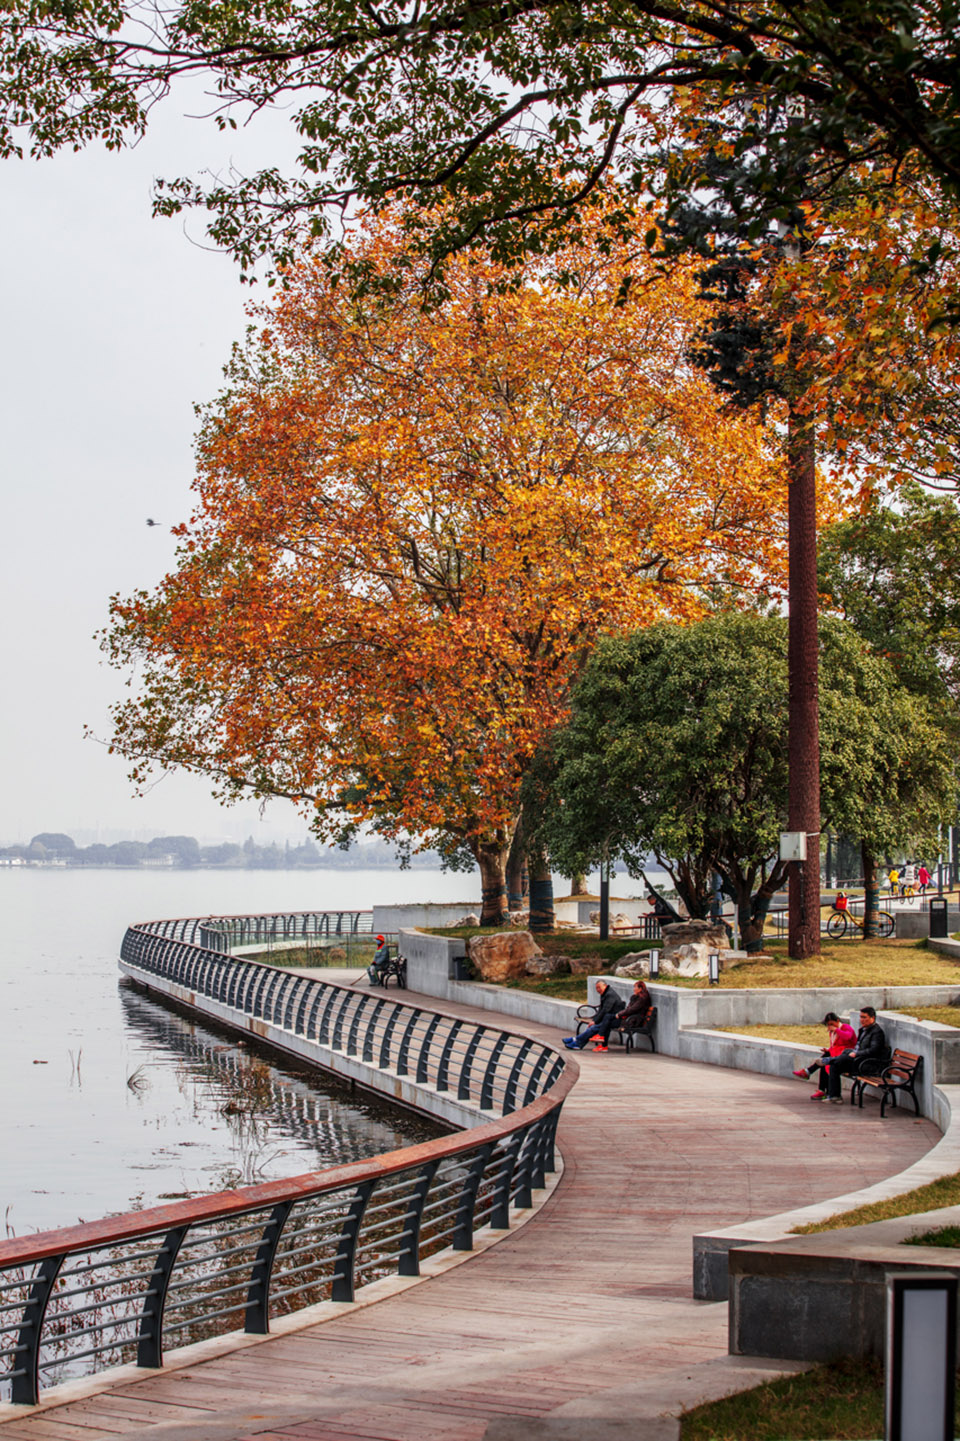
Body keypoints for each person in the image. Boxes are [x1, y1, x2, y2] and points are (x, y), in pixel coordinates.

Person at [822, 1006, 890, 1105]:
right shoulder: (863, 1030)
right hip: (858, 1060)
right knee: (836, 1064)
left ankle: (830, 1060)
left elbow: (873, 1050)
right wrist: (852, 1052)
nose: (862, 1020)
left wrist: (857, 1053)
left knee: (838, 1061)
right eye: (861, 1017)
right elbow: (858, 1047)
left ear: (872, 1018)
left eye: (864, 1017)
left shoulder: (877, 1032)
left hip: (866, 1064)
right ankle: (835, 1096)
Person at [792, 1012, 857, 1099]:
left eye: (832, 1024)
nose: (830, 1026)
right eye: (828, 1025)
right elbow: (835, 1046)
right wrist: (829, 1050)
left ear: (837, 1021)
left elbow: (847, 1037)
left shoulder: (845, 1028)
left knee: (824, 1061)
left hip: (847, 1057)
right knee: (824, 1061)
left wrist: (836, 1030)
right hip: (837, 1055)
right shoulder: (832, 1033)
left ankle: (810, 1073)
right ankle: (819, 1087)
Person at [563, 979, 622, 1051]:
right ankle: (578, 1043)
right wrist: (594, 1020)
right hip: (607, 1019)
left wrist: (595, 1021)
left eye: (599, 987)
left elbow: (605, 1010)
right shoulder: (605, 994)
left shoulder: (610, 995)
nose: (598, 990)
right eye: (596, 988)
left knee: (594, 1028)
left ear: (605, 986)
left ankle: (576, 1040)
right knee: (593, 1027)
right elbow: (601, 1009)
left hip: (614, 1020)